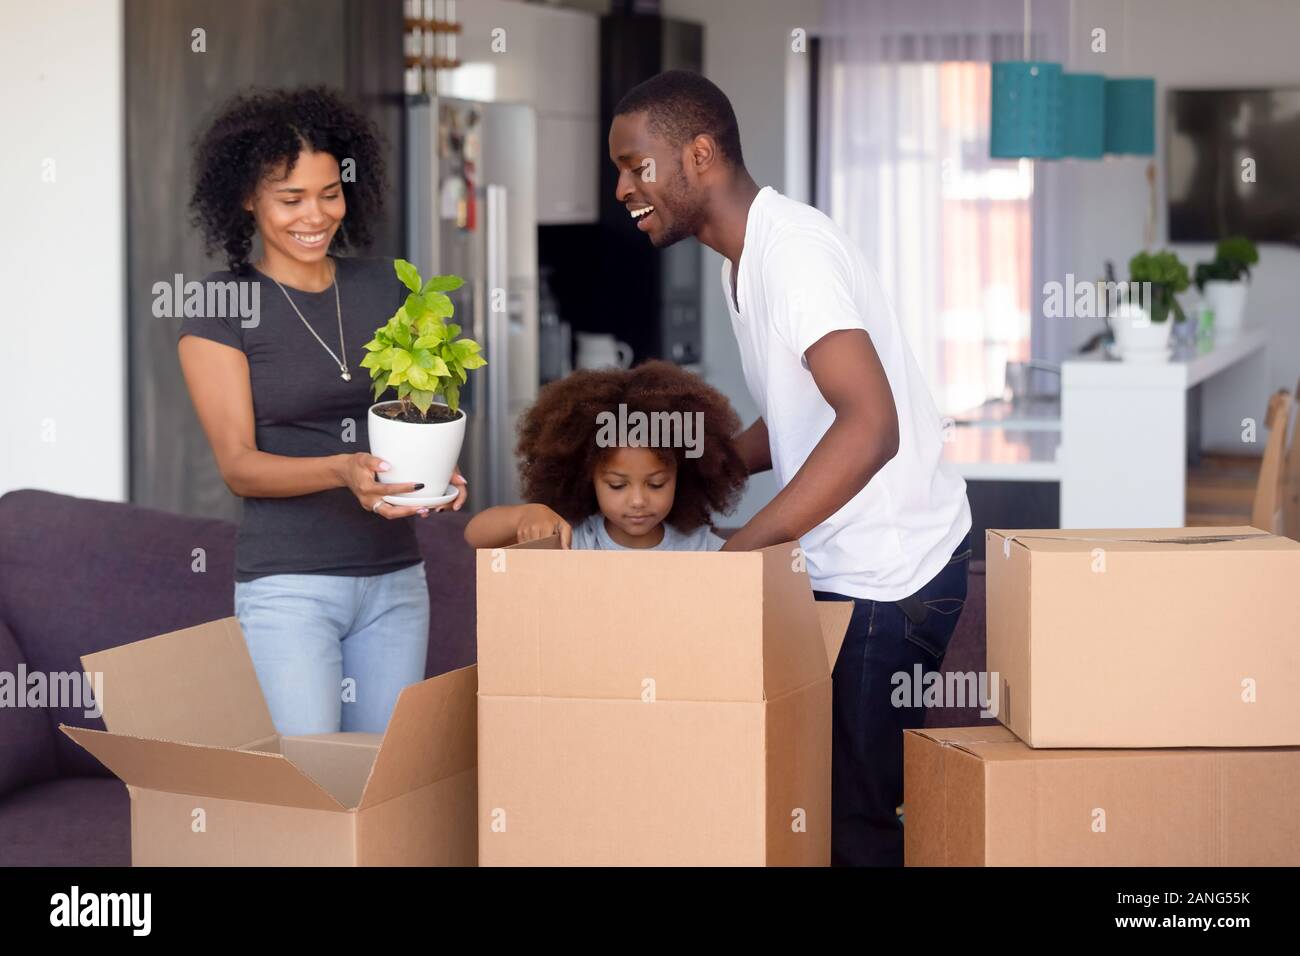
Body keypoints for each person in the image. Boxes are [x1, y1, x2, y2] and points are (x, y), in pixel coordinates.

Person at [608, 70, 972, 866]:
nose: (623, 187)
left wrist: (742, 553)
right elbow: (810, 412)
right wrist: (716, 472)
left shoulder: (793, 255)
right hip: (852, 558)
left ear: (699, 154)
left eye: (638, 166)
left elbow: (871, 426)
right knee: (814, 792)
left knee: (850, 817)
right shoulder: (743, 258)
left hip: (890, 572)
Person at [178, 86, 466, 736]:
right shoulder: (223, 307)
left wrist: (439, 470)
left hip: (394, 580)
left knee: (380, 789)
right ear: (248, 198)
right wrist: (343, 471)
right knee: (314, 789)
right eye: (291, 198)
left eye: (330, 193)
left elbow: (414, 409)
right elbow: (239, 467)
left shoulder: (386, 285)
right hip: (289, 588)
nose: (316, 214)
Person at [464, 361, 746, 551]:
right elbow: (474, 535)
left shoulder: (696, 546)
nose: (638, 501)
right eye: (617, 485)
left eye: (656, 483)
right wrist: (525, 516)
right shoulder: (573, 539)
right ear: (587, 479)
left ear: (681, 477)